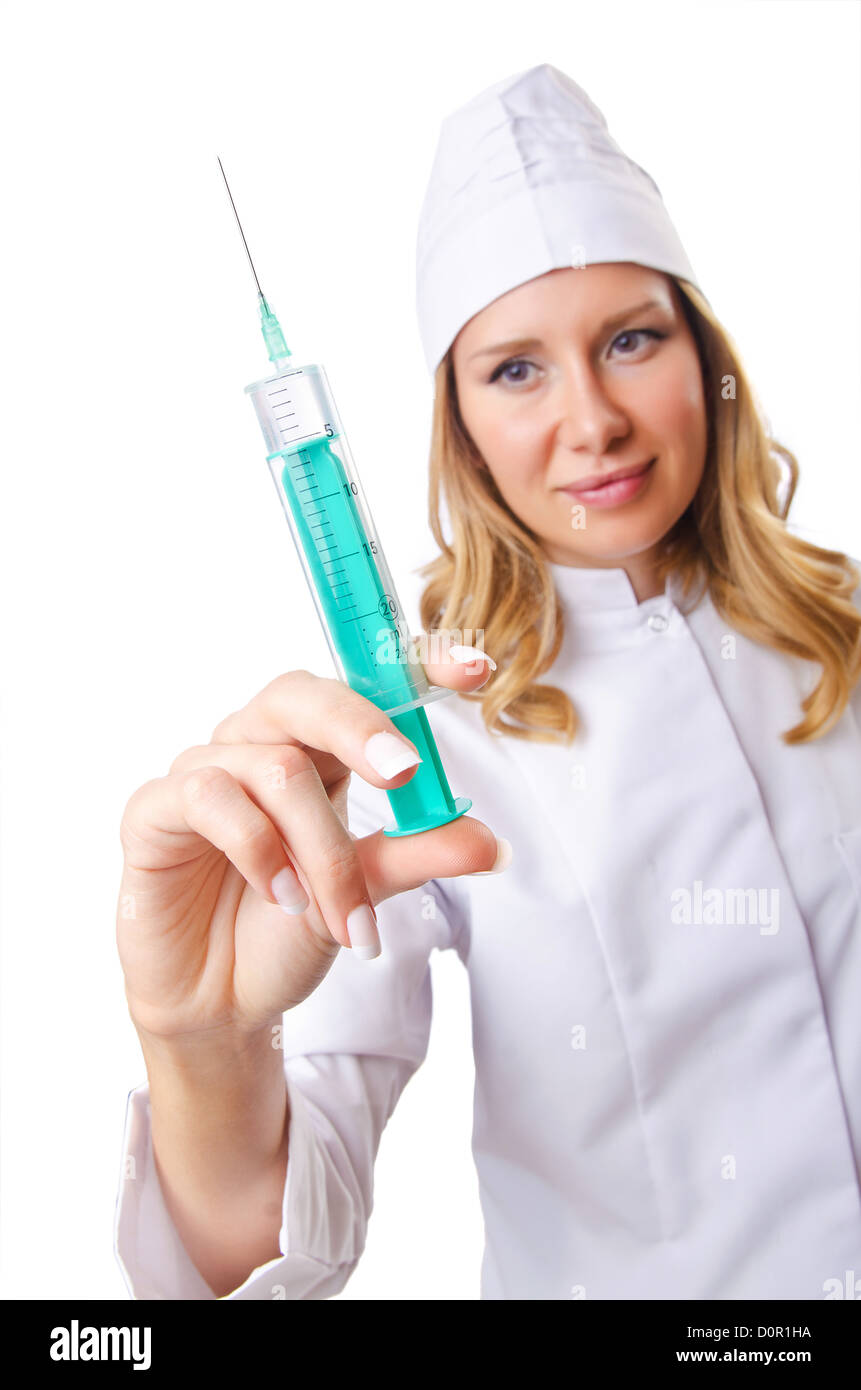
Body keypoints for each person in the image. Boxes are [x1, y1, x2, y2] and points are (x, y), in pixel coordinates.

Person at [113, 63, 861, 1300]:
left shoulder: (841, 647)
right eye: (516, 369)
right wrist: (200, 1043)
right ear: (456, 422)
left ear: (703, 353)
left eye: (631, 339)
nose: (594, 421)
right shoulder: (418, 747)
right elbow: (276, 1247)